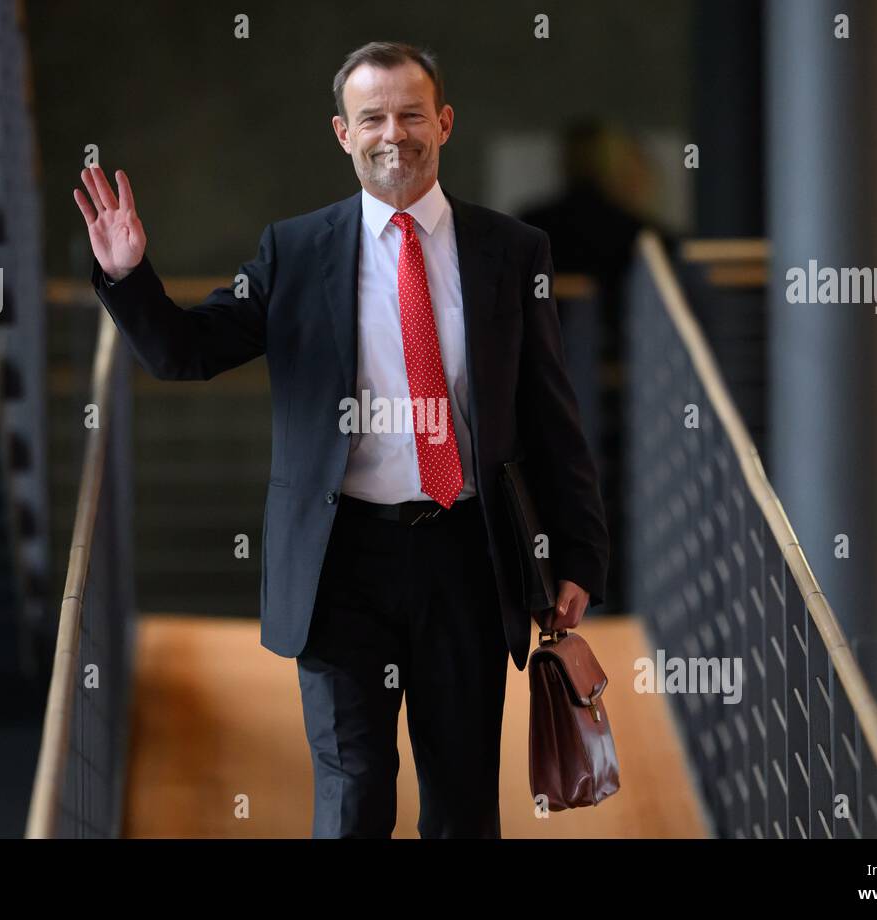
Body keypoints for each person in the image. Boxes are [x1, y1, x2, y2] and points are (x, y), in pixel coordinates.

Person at [73, 41, 608, 838]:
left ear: (445, 122)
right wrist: (129, 277)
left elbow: (552, 416)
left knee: (462, 804)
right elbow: (188, 352)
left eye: (411, 114)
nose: (394, 133)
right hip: (339, 563)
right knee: (354, 796)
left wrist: (579, 556)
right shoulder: (295, 252)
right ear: (342, 133)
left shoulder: (511, 251)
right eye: (373, 118)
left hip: (467, 555)